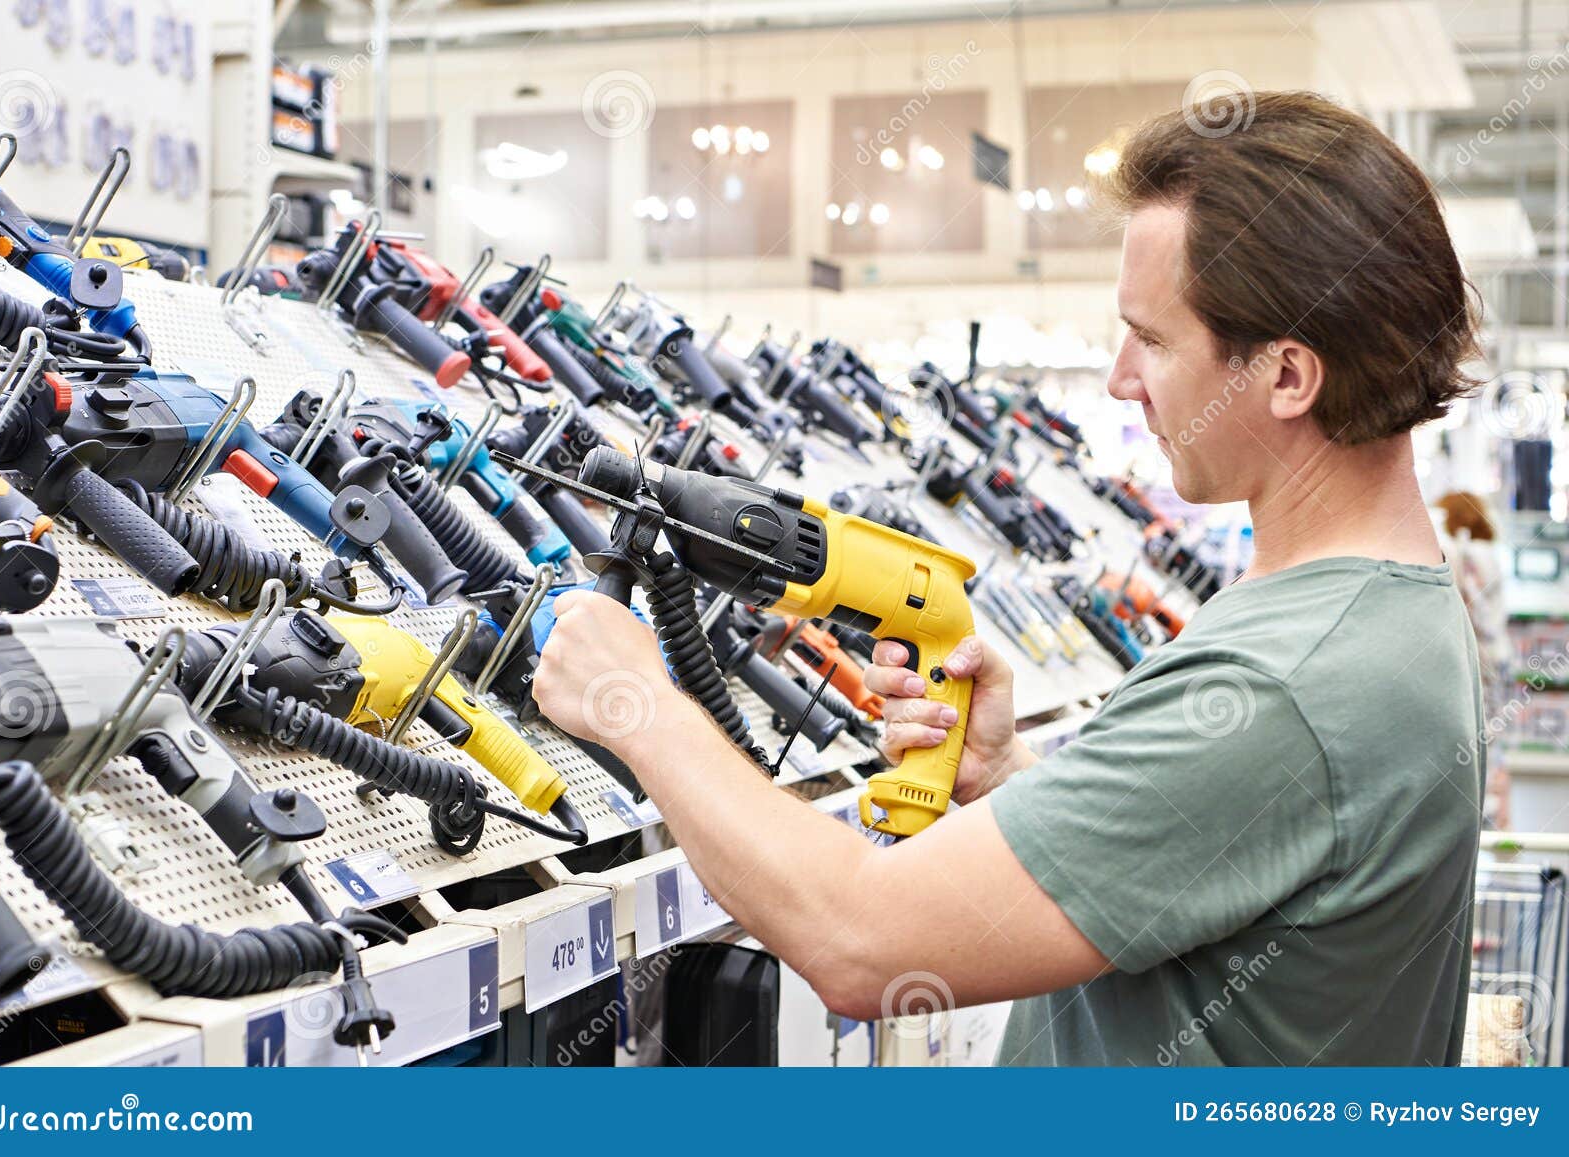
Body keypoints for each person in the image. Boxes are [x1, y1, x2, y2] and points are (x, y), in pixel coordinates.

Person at [531, 91, 1487, 1066]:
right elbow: (1226, 904)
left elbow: (860, 940)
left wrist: (637, 702)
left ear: (1286, 376)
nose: (1120, 377)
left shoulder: (1285, 683)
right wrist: (1013, 791)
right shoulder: (1390, 612)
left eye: (1152, 339)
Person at [1435, 490, 1512, 829]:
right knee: (1490, 745)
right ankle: (1490, 817)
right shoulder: (1490, 554)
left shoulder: (1460, 553)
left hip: (1469, 661)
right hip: (1494, 661)